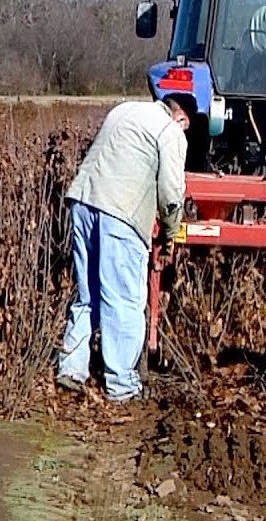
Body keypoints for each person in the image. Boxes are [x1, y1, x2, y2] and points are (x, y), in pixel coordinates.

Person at [56, 93, 197, 402]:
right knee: (125, 299)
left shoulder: (125, 110)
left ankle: (70, 368)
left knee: (88, 293)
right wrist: (171, 234)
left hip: (82, 201)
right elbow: (172, 193)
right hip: (121, 214)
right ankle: (122, 387)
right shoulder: (170, 131)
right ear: (183, 118)